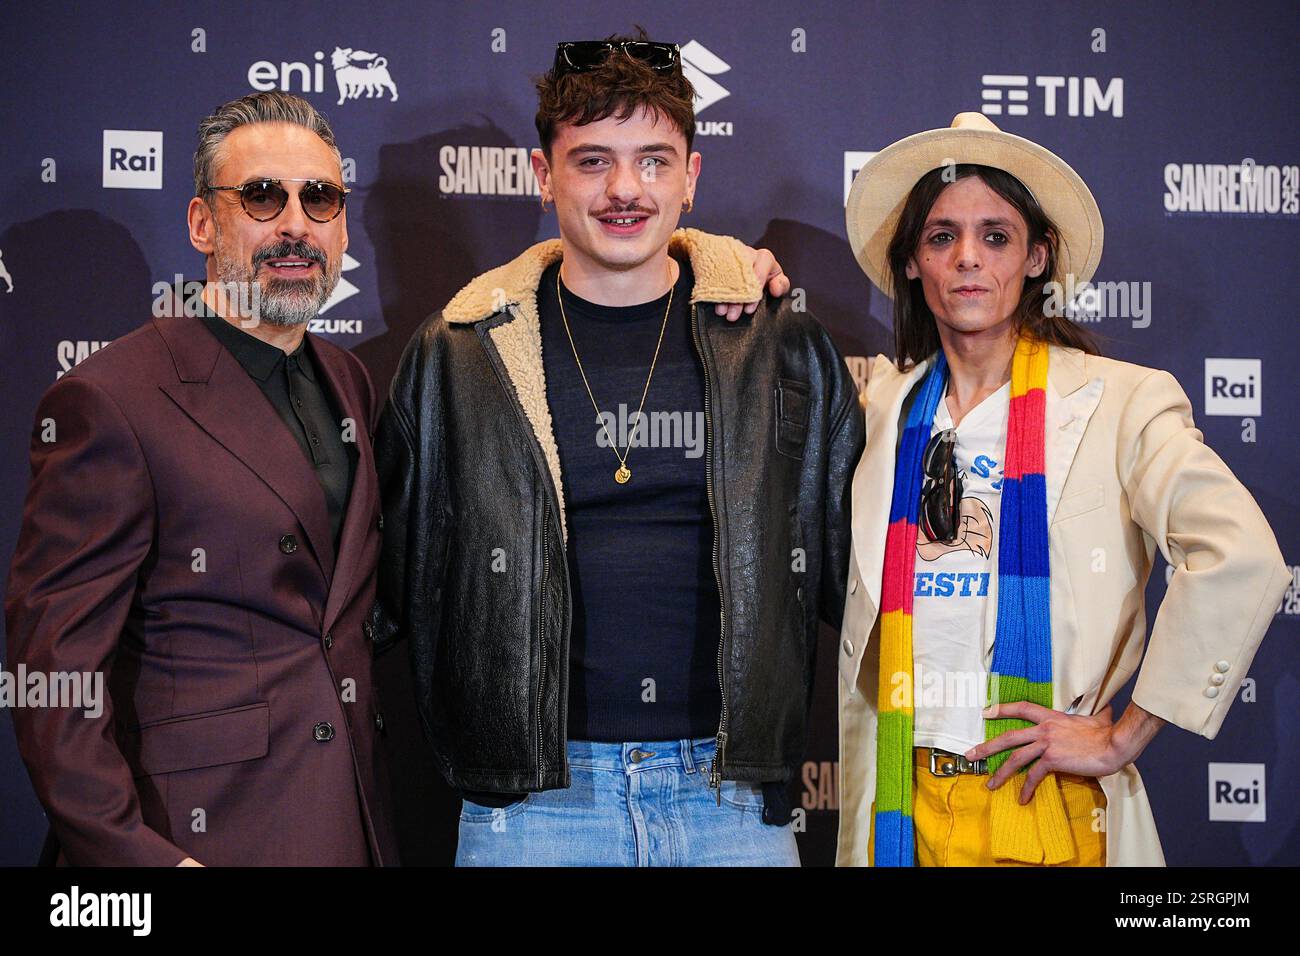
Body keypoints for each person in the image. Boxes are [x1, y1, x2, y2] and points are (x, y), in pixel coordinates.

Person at [372, 35, 863, 866]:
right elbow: (386, 581)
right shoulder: (459, 351)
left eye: (653, 162)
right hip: (534, 806)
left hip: (732, 800)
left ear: (692, 178)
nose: (625, 190)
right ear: (543, 174)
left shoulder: (779, 345)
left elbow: (859, 575)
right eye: (593, 161)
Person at [835, 112, 1290, 867]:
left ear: (1038, 255)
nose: (968, 260)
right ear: (913, 261)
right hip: (900, 805)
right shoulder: (875, 403)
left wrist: (1125, 734)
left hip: (1048, 804)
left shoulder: (1123, 401)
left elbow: (1240, 555)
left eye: (997, 236)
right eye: (942, 237)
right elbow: (745, 326)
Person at [5, 91, 399, 866]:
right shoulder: (110, 399)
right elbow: (53, 672)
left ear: (344, 226)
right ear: (201, 224)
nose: (294, 223)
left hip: (350, 820)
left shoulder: (349, 379)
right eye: (261, 196)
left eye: (319, 198)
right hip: (201, 833)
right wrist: (140, 859)